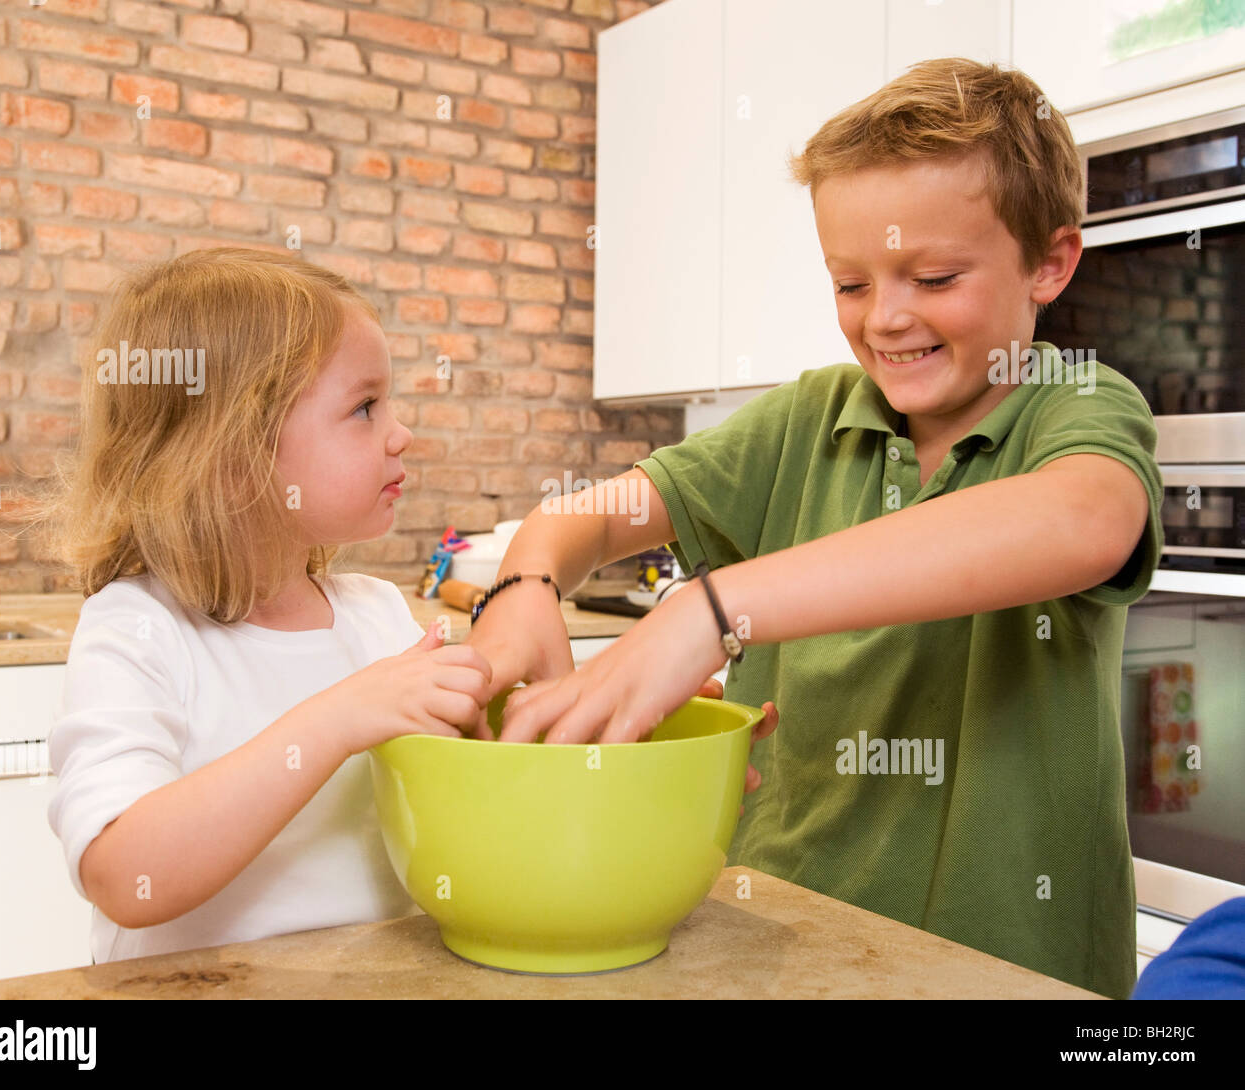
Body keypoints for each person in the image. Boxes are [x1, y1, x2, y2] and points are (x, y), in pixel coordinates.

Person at [466, 59, 1164, 1000]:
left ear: (1051, 262)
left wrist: (709, 610)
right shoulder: (806, 418)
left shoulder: (1075, 403)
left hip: (1003, 972)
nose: (886, 319)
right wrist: (524, 585)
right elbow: (576, 520)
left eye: (933, 276)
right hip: (773, 940)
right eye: (849, 284)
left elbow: (1085, 519)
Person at [36, 249, 500, 964]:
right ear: (234, 457)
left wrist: (617, 729)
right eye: (364, 407)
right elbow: (124, 875)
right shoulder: (139, 633)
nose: (400, 433)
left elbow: (475, 791)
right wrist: (336, 719)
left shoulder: (380, 617)